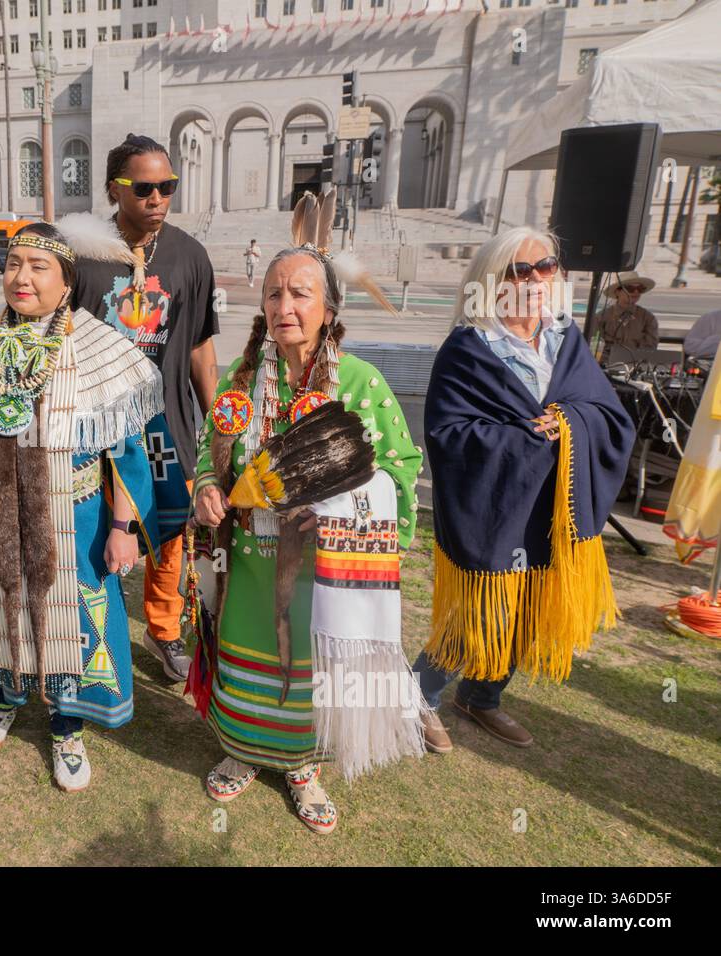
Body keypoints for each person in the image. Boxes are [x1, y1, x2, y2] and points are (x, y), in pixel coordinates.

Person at [189, 191, 425, 833]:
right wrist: (209, 490)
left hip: (326, 569)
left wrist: (341, 501)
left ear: (327, 308)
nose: (285, 307)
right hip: (249, 562)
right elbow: (212, 459)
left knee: (311, 666)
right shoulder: (241, 381)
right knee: (244, 661)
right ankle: (242, 753)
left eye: (300, 294)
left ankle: (302, 768)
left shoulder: (359, 384)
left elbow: (402, 468)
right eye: (274, 294)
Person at [0, 222, 171, 792]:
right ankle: (4, 696)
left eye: (37, 266)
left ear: (67, 280)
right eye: (12, 263)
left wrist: (123, 526)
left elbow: (125, 451)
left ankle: (66, 723)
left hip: (74, 517)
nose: (20, 277)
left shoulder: (103, 351)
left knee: (67, 621)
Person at [416, 227, 635, 751]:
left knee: (529, 613)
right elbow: (447, 435)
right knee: (479, 614)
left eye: (546, 266)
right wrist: (523, 439)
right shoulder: (469, 347)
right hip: (495, 505)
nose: (536, 278)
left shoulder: (567, 339)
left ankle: (482, 698)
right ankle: (417, 695)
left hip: (555, 506)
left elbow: (608, 415)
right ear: (495, 280)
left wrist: (569, 422)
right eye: (520, 269)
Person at [63, 133, 220, 685]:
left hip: (166, 419)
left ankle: (162, 627)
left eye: (167, 187)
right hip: (93, 422)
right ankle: (84, 628)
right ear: (115, 188)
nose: (158, 197)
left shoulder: (189, 256)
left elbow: (201, 345)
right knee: (93, 524)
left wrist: (217, 426)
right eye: (144, 187)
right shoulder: (83, 253)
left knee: (169, 529)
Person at [591, 270, 659, 354]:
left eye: (640, 289)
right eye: (630, 288)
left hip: (636, 364)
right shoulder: (601, 317)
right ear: (617, 292)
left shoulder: (648, 318)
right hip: (606, 364)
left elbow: (650, 348)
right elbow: (594, 347)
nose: (636, 292)